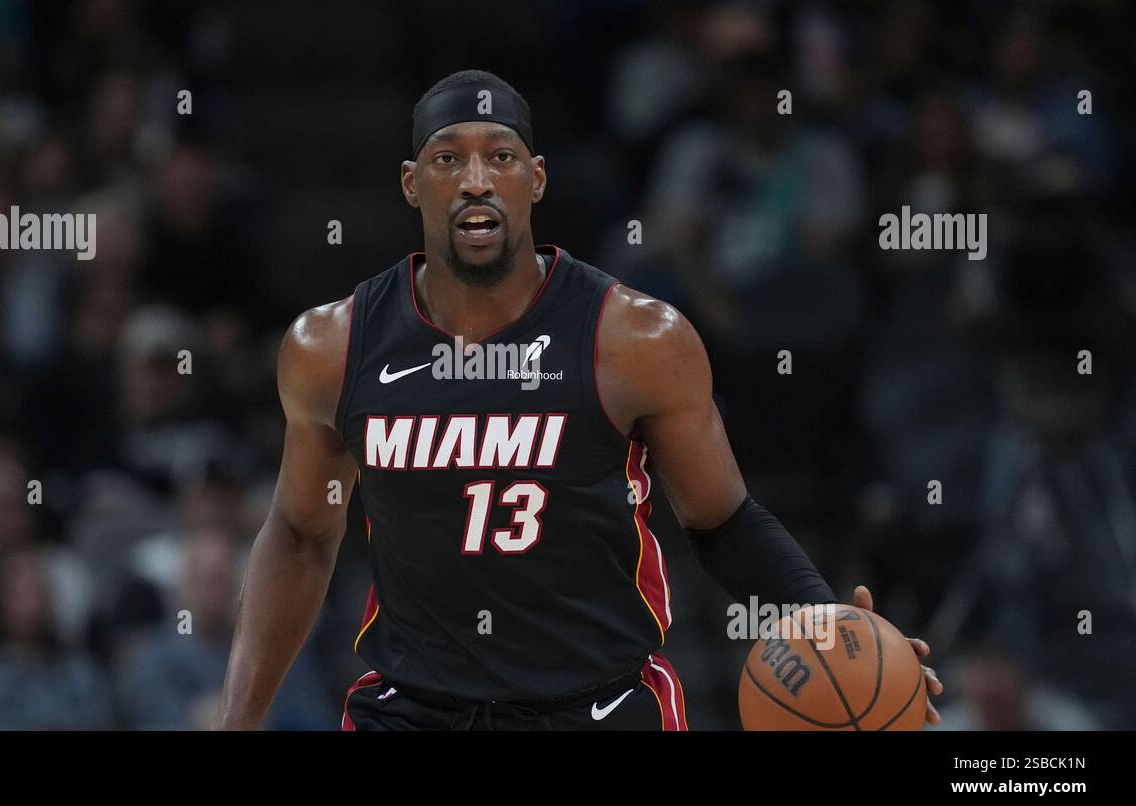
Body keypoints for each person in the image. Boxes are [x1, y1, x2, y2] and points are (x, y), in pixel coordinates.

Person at [217, 70, 942, 730]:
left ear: (535, 179)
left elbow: (722, 518)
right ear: (412, 184)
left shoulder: (635, 338)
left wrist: (826, 619)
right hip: (411, 709)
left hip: (596, 706)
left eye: (500, 156)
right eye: (448, 159)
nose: (475, 180)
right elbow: (300, 533)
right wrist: (237, 721)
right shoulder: (332, 346)